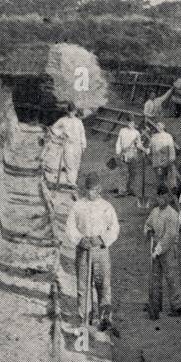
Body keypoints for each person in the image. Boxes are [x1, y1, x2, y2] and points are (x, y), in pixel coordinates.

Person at [64, 173, 119, 332]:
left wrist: (102, 239)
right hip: (83, 251)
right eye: (88, 190)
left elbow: (114, 228)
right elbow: (70, 227)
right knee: (83, 285)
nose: (91, 193)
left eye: (94, 190)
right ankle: (85, 318)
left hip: (100, 251)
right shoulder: (78, 206)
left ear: (99, 189)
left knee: (103, 285)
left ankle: (104, 318)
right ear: (84, 190)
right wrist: (80, 240)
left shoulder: (106, 207)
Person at [144, 186, 181, 319]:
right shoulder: (155, 211)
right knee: (155, 277)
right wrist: (148, 230)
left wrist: (158, 250)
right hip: (155, 246)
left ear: (168, 197)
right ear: (157, 197)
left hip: (168, 249)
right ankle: (155, 305)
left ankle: (176, 306)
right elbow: (148, 224)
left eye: (164, 197)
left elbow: (170, 236)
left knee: (171, 278)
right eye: (159, 197)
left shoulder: (172, 214)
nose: (161, 199)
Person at [43, 107, 86, 188]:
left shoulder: (79, 121)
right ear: (67, 111)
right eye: (69, 112)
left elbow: (82, 133)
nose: (71, 114)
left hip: (77, 145)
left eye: (72, 112)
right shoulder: (63, 120)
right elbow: (53, 128)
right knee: (69, 163)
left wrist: (83, 145)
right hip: (68, 144)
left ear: (75, 112)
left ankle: (73, 181)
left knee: (76, 164)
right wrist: (61, 134)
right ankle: (71, 183)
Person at [114, 113, 146, 206]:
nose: (130, 124)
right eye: (129, 122)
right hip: (124, 153)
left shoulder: (136, 133)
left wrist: (143, 149)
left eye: (132, 122)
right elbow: (118, 142)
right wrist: (118, 151)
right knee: (123, 173)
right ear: (126, 122)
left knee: (133, 172)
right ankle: (122, 191)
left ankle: (130, 189)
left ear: (134, 123)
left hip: (133, 154)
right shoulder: (122, 131)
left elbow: (139, 144)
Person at [148, 121, 176, 194]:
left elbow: (171, 148)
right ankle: (162, 188)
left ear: (163, 127)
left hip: (164, 159)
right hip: (159, 159)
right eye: (157, 126)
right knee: (160, 175)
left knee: (164, 174)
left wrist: (171, 157)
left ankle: (168, 188)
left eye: (160, 126)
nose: (159, 128)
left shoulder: (168, 136)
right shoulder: (154, 137)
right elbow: (150, 149)